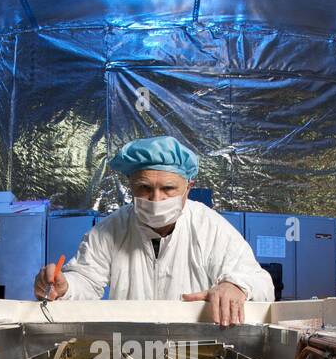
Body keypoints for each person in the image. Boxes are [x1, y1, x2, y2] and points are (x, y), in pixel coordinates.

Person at [32, 136, 274, 326]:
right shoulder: (111, 230)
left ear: (189, 187)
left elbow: (261, 283)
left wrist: (236, 286)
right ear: (130, 186)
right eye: (144, 187)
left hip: (195, 353)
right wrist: (65, 287)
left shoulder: (209, 227)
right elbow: (86, 279)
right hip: (129, 350)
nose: (156, 199)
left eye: (168, 188)